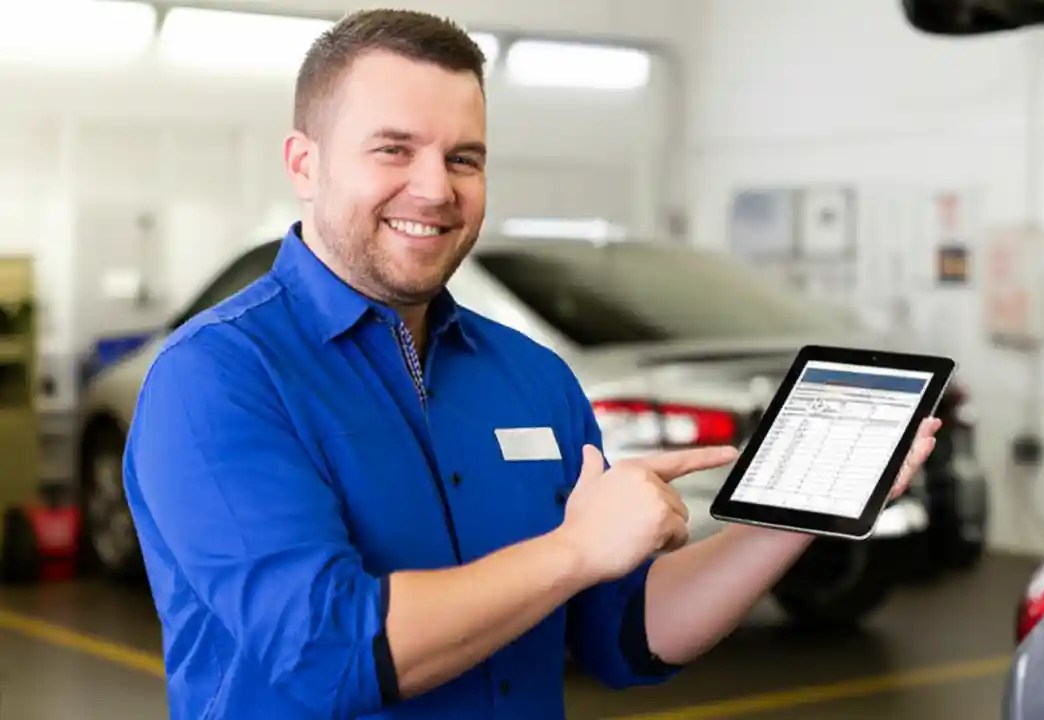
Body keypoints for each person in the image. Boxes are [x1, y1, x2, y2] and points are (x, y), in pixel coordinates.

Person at [123, 9, 941, 720]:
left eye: (464, 159)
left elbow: (624, 634)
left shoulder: (531, 376)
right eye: (393, 150)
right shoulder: (218, 378)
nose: (434, 189)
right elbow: (332, 654)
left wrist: (798, 516)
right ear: (304, 163)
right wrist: (580, 547)